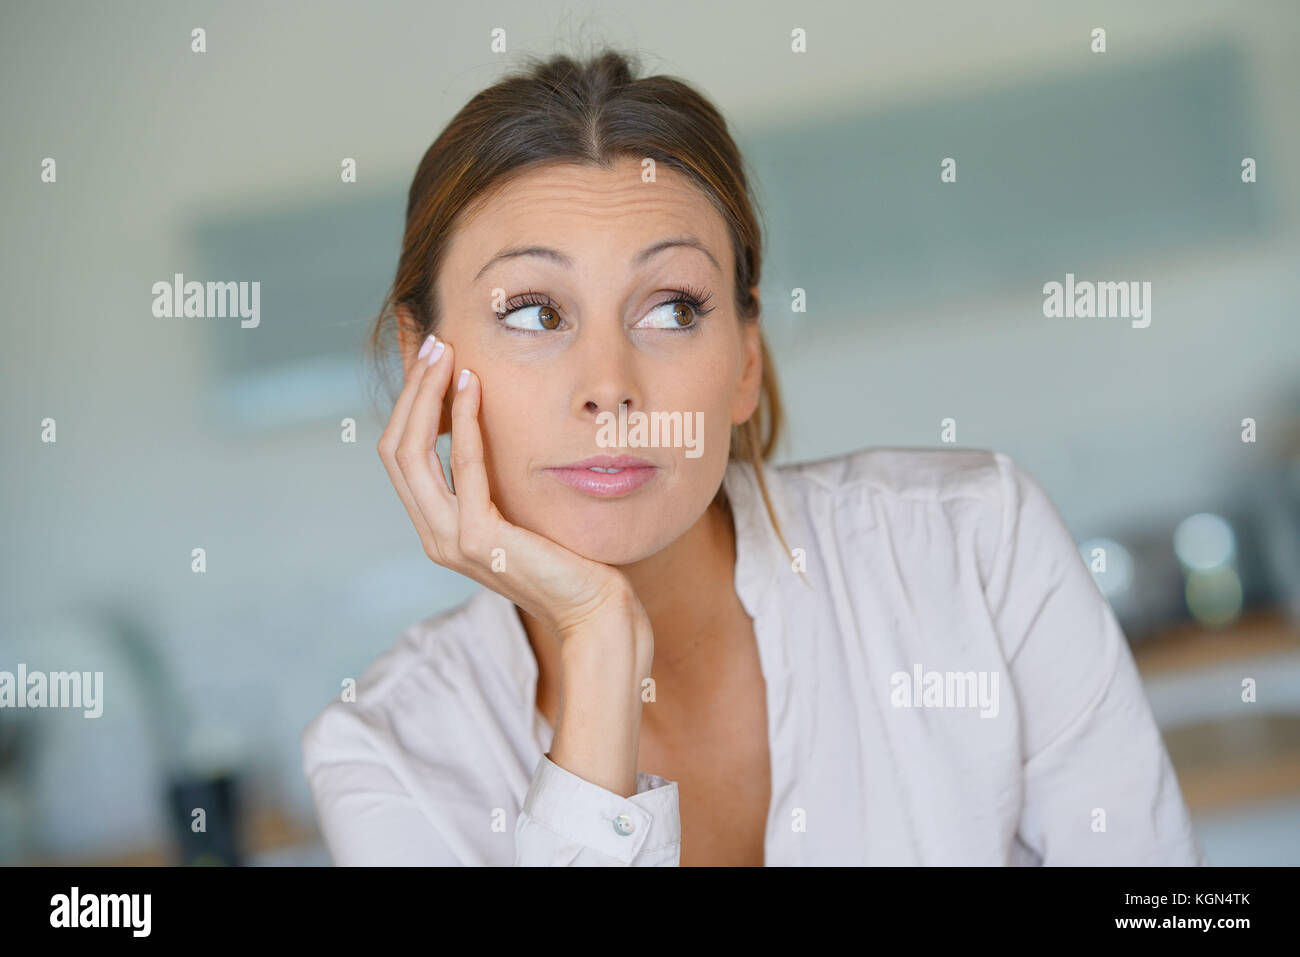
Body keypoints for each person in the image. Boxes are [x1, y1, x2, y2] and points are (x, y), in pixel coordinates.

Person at [300, 48, 1205, 866]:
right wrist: (600, 640)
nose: (607, 386)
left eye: (671, 309)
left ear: (743, 360)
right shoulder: (389, 753)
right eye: (535, 311)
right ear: (424, 358)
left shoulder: (974, 544)